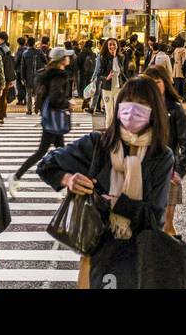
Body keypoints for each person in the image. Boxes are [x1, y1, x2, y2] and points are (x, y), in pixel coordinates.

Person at [37, 76, 174, 289]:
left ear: (153, 110)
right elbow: (47, 165)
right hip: (95, 252)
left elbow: (155, 217)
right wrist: (68, 179)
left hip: (136, 256)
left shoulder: (161, 157)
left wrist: (114, 203)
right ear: (118, 106)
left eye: (142, 104)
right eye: (128, 102)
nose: (132, 110)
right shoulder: (99, 144)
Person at [8, 47, 73, 198]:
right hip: (53, 118)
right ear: (61, 59)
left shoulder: (49, 74)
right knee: (43, 152)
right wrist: (67, 104)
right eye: (66, 56)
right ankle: (16, 177)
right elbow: (56, 97)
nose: (69, 58)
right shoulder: (58, 76)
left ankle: (63, 186)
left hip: (50, 117)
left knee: (59, 150)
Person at [144, 64, 186, 237]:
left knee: (167, 224)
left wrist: (180, 170)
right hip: (144, 170)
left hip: (169, 171)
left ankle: (170, 260)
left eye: (157, 82)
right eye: (149, 83)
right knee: (147, 223)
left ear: (165, 83)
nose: (154, 87)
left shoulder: (175, 108)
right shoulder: (140, 107)